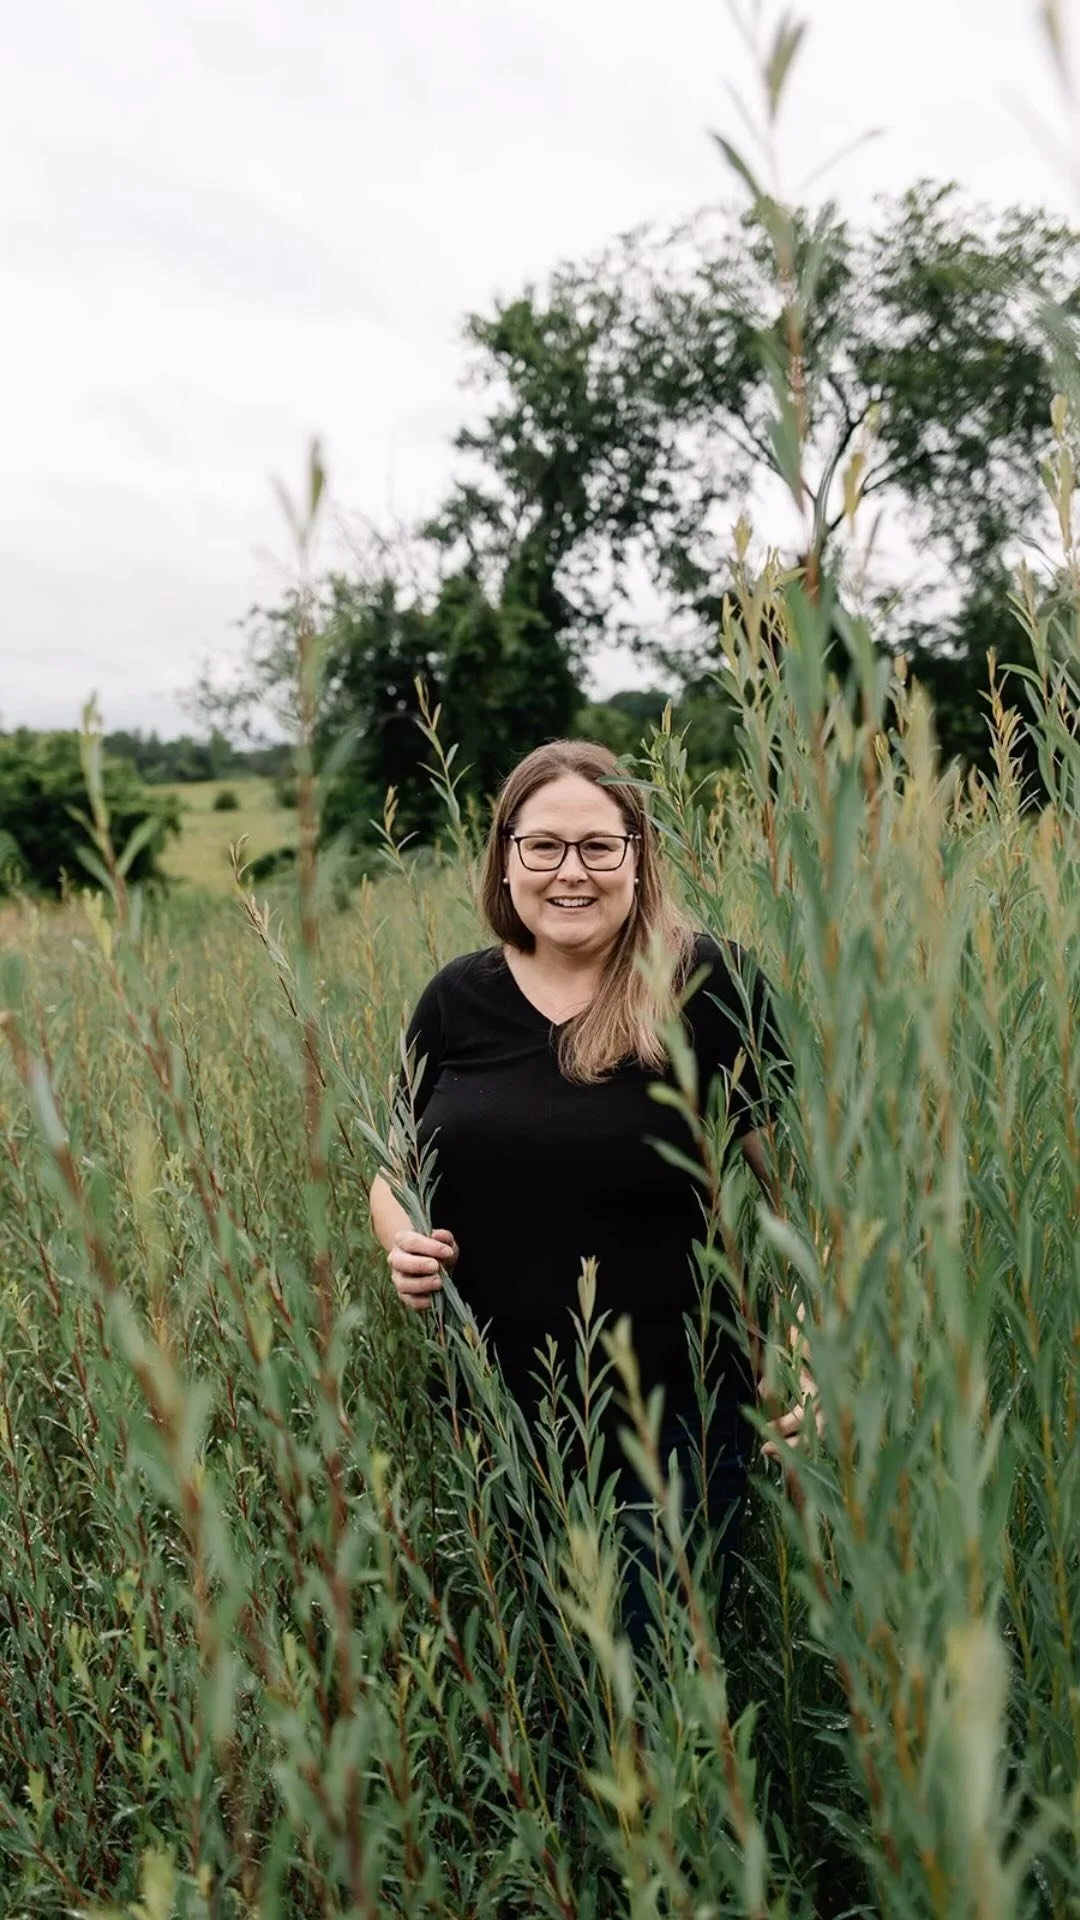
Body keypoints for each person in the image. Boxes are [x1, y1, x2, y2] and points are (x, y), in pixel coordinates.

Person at [369, 739, 794, 1645]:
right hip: (495, 1414)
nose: (572, 872)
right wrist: (402, 1240)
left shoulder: (708, 985)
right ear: (506, 856)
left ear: (638, 857)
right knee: (547, 1686)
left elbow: (807, 1190)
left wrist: (809, 1347)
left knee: (644, 1682)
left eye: (600, 846)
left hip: (673, 1416)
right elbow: (394, 1166)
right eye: (544, 846)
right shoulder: (456, 998)